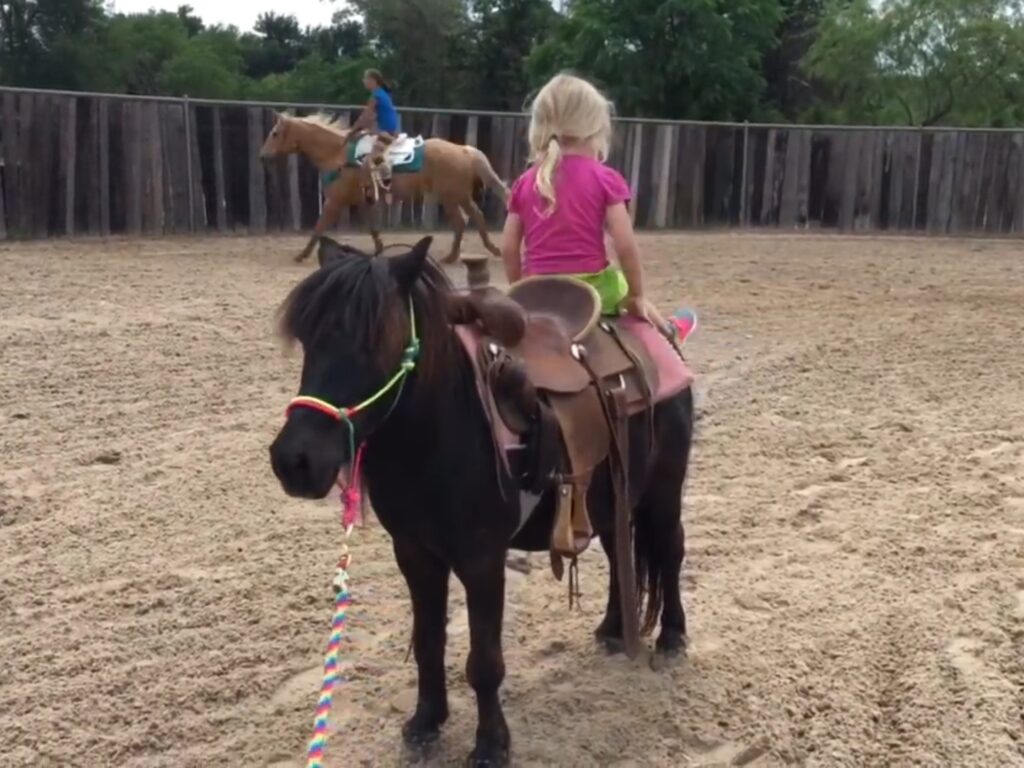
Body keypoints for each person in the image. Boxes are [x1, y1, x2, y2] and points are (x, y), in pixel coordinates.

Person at [501, 73, 661, 324]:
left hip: (537, 292)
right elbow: (625, 244)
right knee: (633, 310)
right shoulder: (605, 178)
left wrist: (520, 290)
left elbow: (509, 248)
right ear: (594, 129)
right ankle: (668, 332)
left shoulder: (525, 182)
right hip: (591, 293)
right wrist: (637, 295)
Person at [349, 69, 401, 198]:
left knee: (373, 158)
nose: (363, 81)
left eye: (365, 79)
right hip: (385, 130)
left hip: (387, 133)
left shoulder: (376, 96)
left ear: (372, 81)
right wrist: (365, 130)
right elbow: (373, 117)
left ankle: (387, 183)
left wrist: (351, 130)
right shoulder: (382, 94)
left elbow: (365, 116)